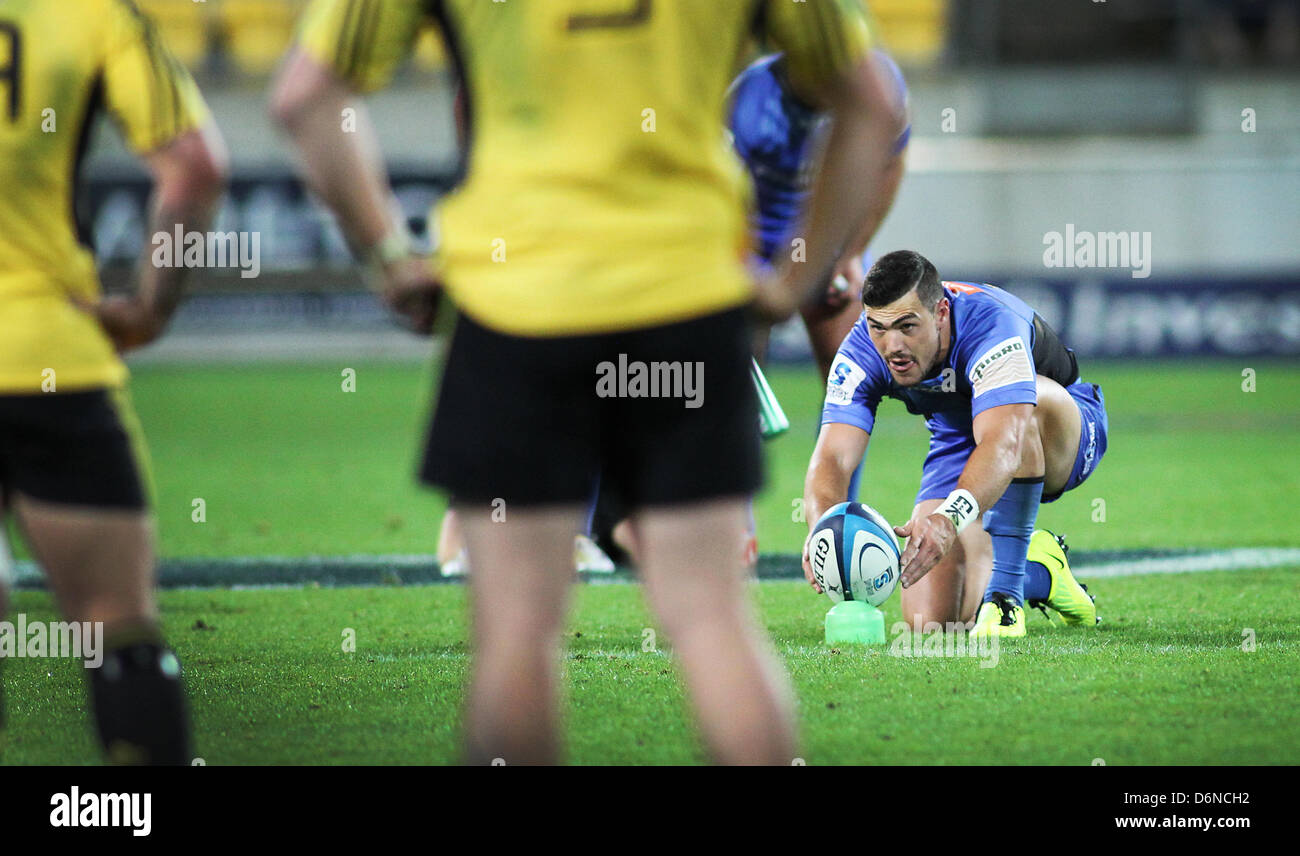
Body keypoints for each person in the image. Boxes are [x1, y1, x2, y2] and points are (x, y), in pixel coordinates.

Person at [272, 0, 904, 764]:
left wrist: (388, 256)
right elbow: (873, 102)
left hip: (516, 303)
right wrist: (794, 277)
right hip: (687, 298)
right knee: (710, 617)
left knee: (515, 634)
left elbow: (304, 97)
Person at [0, 0, 228, 763]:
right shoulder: (88, 11)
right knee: (118, 629)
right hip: (45, 357)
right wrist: (150, 308)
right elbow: (193, 165)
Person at [802, 251, 1106, 637]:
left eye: (906, 326)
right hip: (959, 436)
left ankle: (1006, 597)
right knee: (931, 623)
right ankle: (1042, 572)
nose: (891, 344)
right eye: (878, 326)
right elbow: (832, 456)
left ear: (941, 313)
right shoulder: (861, 349)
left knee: (1027, 407)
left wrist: (948, 520)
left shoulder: (993, 325)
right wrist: (822, 530)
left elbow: (1003, 444)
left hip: (1060, 426)